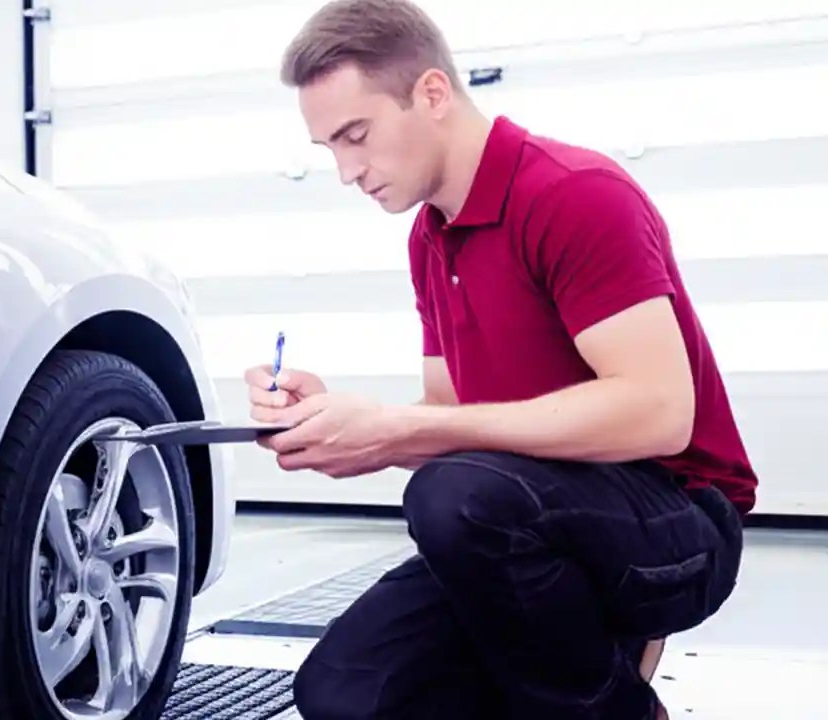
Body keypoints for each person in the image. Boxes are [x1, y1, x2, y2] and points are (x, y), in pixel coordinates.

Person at [242, 1, 755, 718]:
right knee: (343, 693)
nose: (347, 171)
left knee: (454, 498)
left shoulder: (574, 195)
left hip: (676, 523)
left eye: (356, 136)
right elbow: (453, 420)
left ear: (430, 93)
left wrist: (401, 430)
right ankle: (577, 675)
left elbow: (660, 414)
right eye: (329, 148)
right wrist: (344, 424)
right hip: (534, 519)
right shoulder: (429, 238)